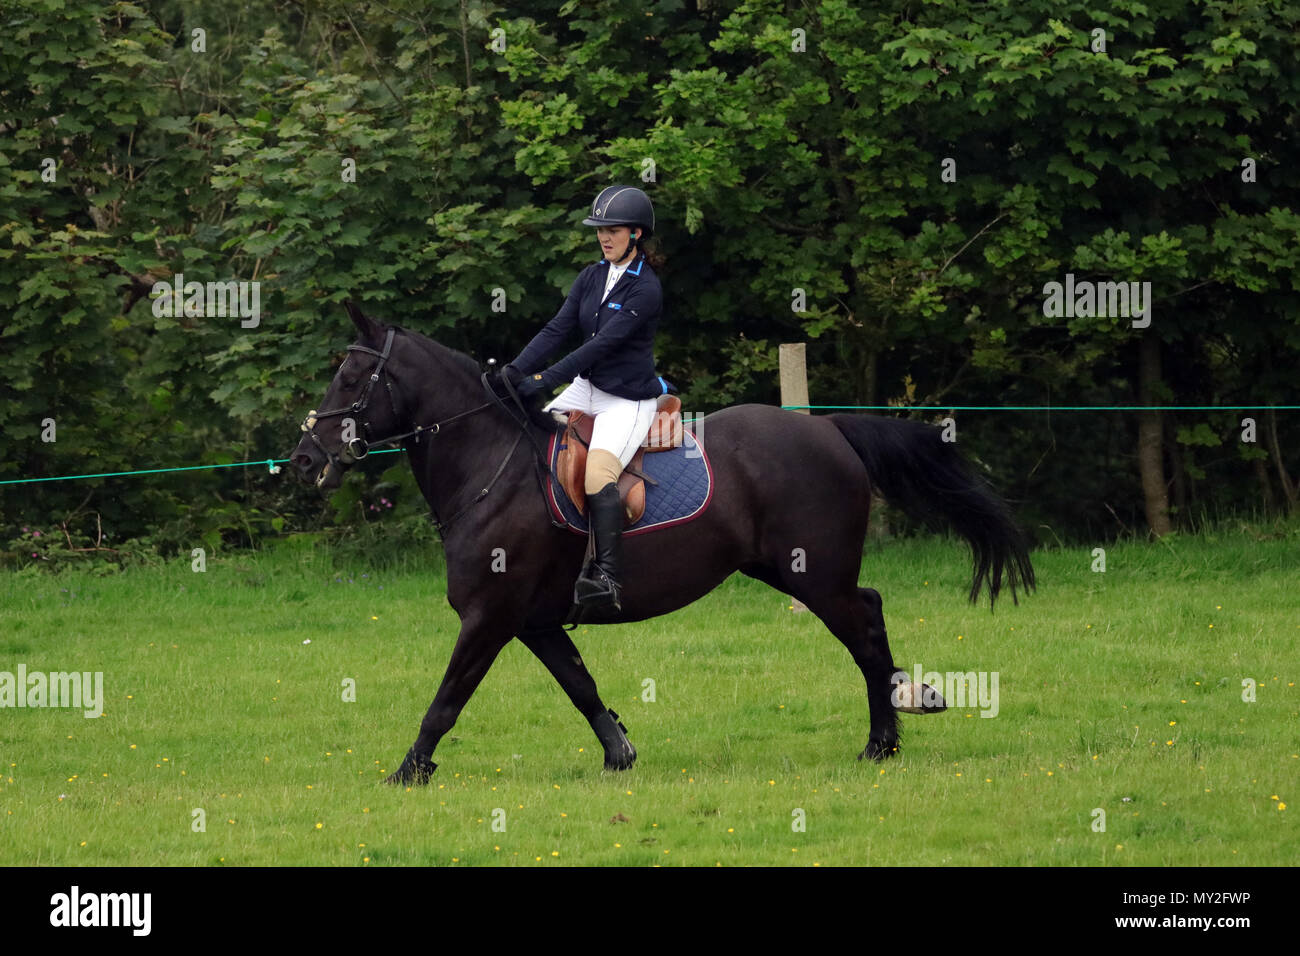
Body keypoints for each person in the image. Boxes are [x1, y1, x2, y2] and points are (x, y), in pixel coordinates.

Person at [504, 185, 667, 612]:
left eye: (612, 230)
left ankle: (609, 579)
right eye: (599, 230)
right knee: (528, 442)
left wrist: (544, 378)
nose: (603, 237)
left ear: (635, 233)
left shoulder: (645, 289)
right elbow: (557, 330)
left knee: (597, 476)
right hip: (587, 389)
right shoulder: (591, 276)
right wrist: (514, 371)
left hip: (626, 401)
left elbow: (600, 347)